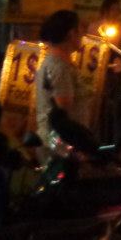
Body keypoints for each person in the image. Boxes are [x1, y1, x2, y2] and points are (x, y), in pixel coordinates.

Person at [35, 10, 90, 148]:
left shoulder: (57, 63)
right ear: (72, 34)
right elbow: (63, 114)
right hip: (60, 146)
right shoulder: (60, 68)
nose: (83, 35)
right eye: (81, 30)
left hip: (57, 143)